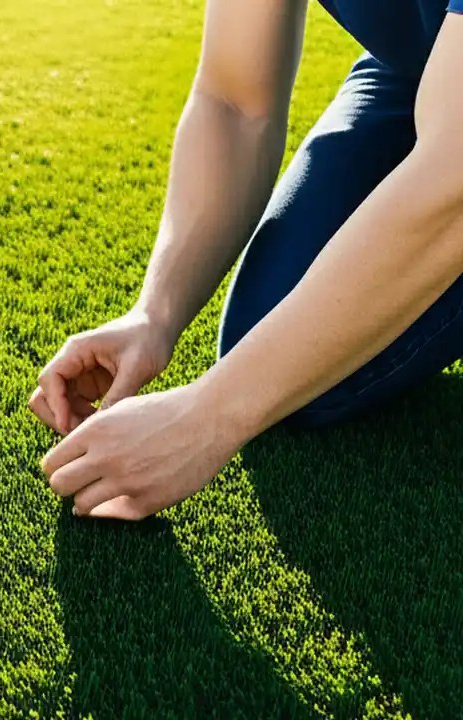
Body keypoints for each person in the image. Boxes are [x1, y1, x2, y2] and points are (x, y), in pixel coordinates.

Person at [29, 0, 463, 520]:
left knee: (270, 375)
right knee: (277, 349)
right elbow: (234, 102)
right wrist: (155, 314)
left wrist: (206, 417)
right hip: (424, 70)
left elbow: (453, 176)